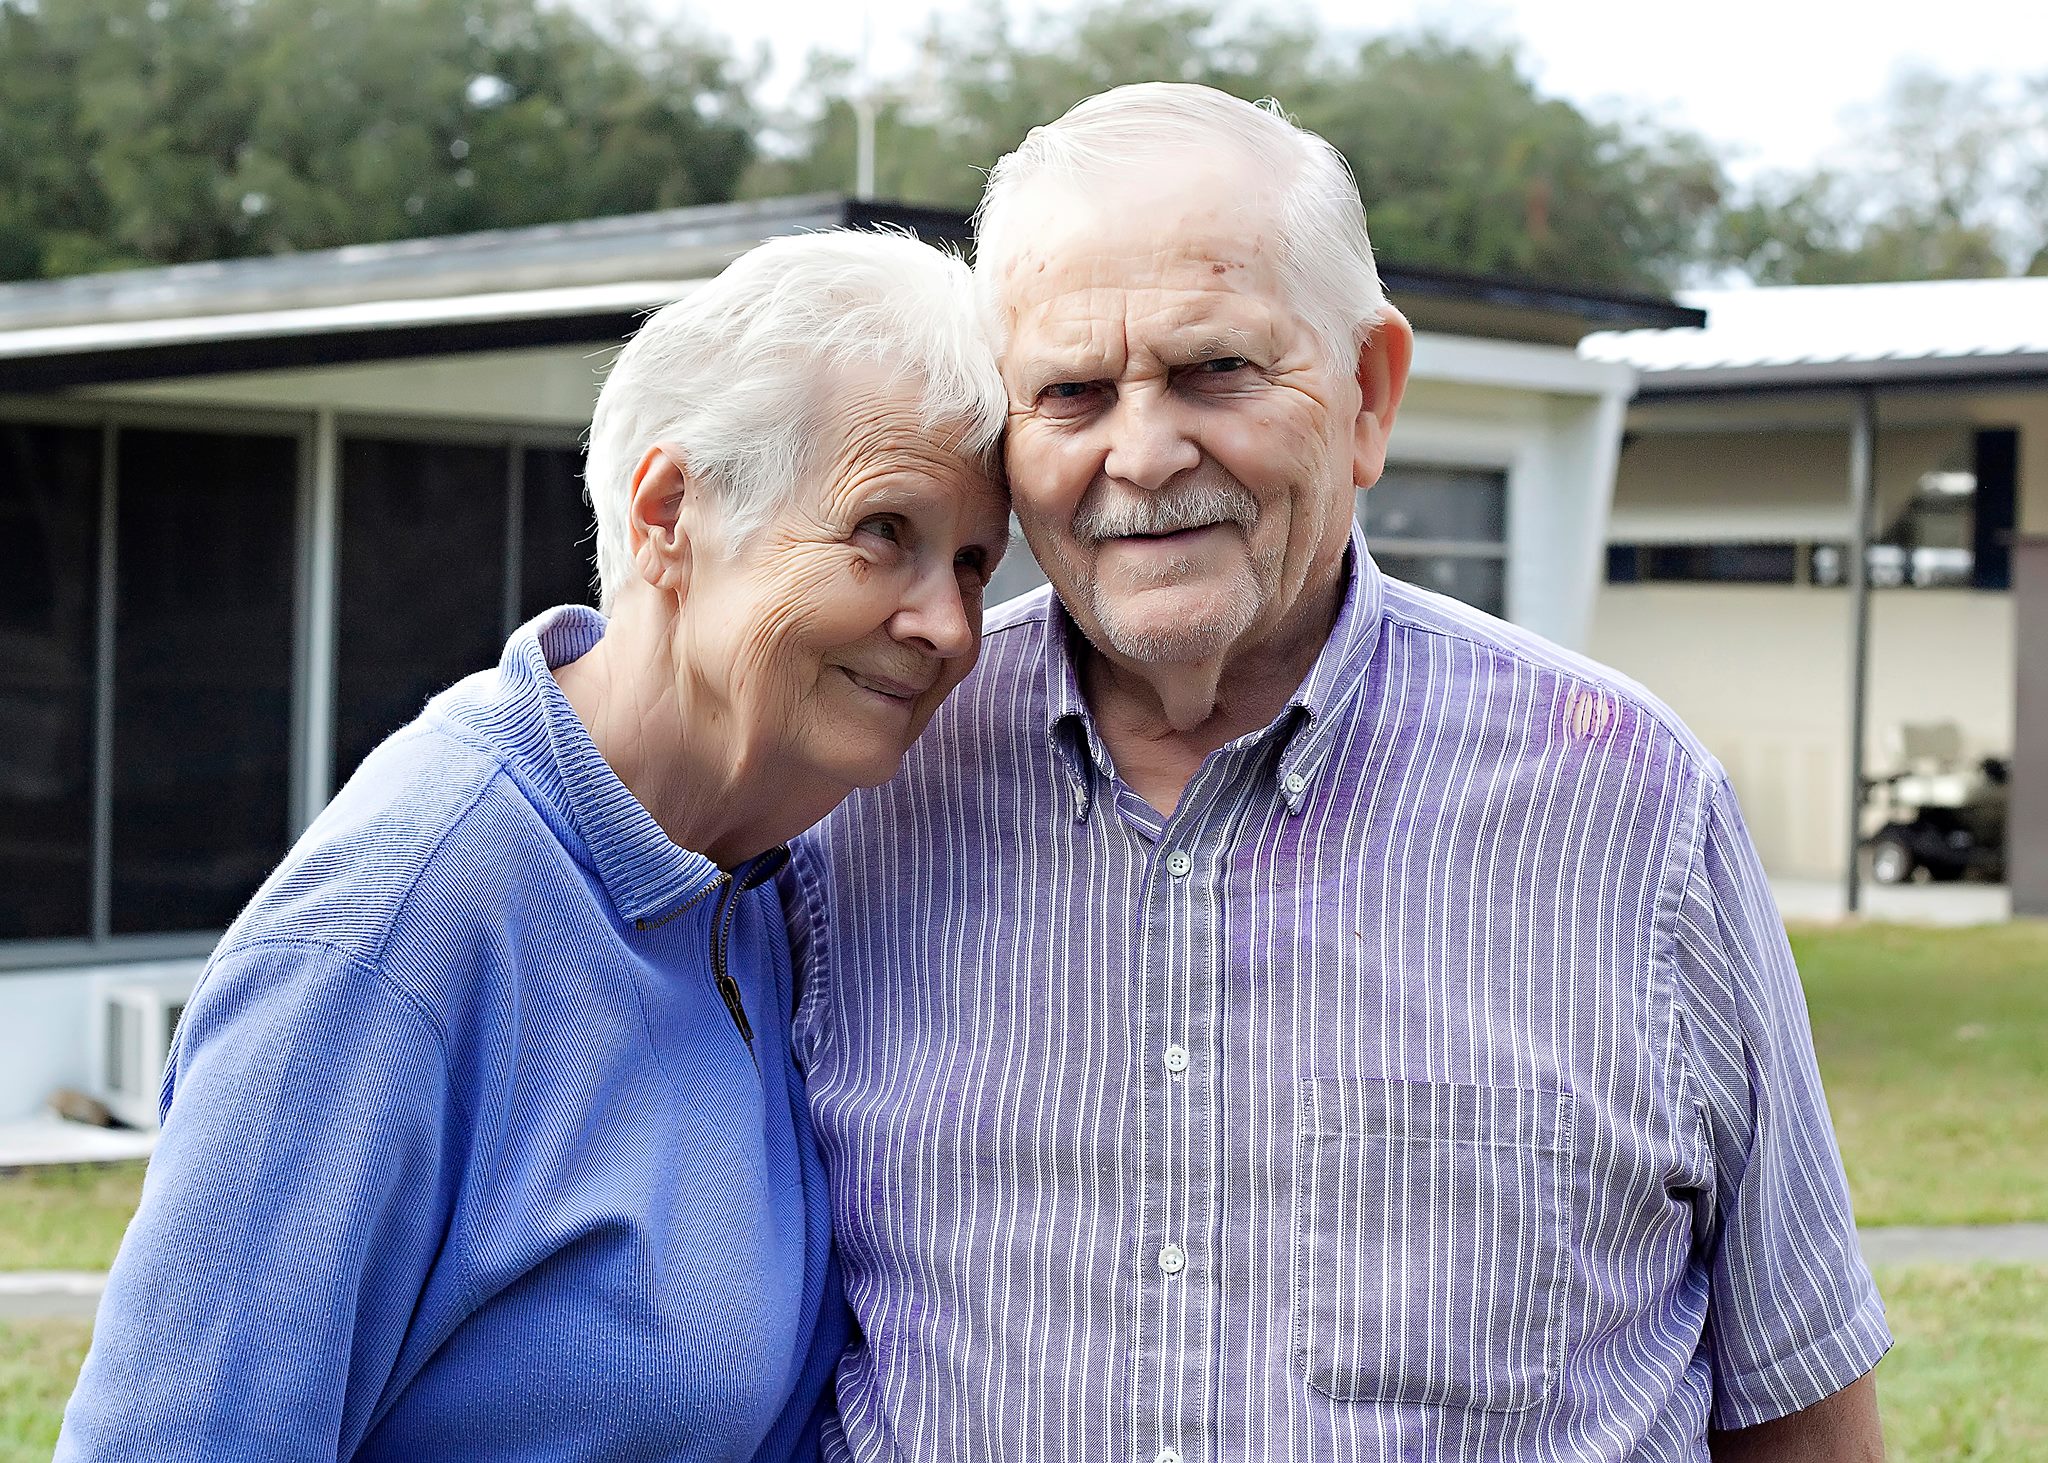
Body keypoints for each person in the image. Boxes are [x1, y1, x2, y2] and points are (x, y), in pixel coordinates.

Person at [784, 85, 1891, 1461]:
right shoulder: (861, 791)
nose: (1141, 452)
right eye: (1071, 391)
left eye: (1215, 372)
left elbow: (1797, 1402)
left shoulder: (1631, 809)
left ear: (1368, 394)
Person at [58, 229, 1009, 1462]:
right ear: (669, 513)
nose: (946, 623)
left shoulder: (762, 869)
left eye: (976, 562)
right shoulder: (395, 933)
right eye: (883, 529)